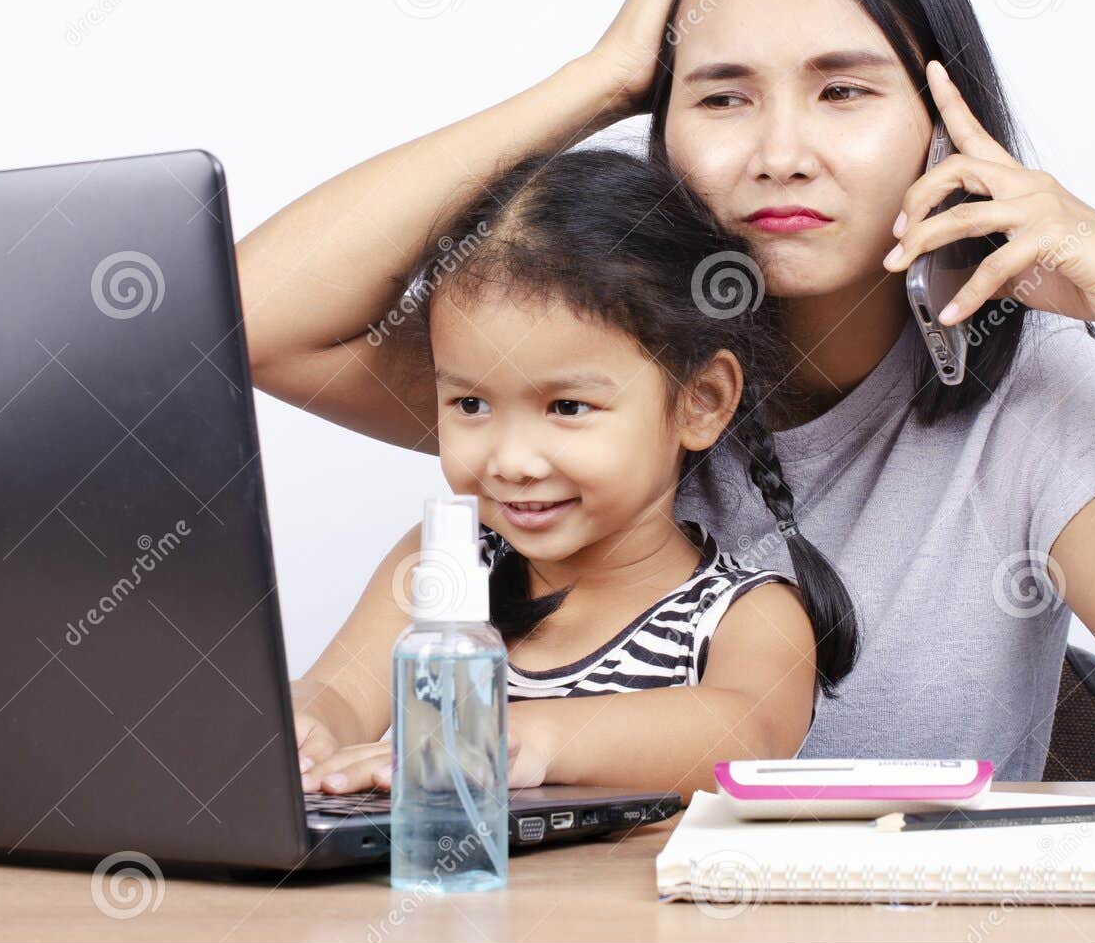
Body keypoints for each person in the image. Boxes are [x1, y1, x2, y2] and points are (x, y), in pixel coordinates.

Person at [241, 0, 1095, 792]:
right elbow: (250, 318)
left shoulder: (1029, 396)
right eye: (719, 98)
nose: (780, 151)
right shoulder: (585, 374)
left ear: (942, 129)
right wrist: (604, 76)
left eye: (842, 90)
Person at [294, 149, 857, 799]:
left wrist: (520, 741)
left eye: (567, 407)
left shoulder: (747, 616)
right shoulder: (447, 565)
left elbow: (744, 736)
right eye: (470, 404)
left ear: (700, 401)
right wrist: (311, 723)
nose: (510, 462)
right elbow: (338, 690)